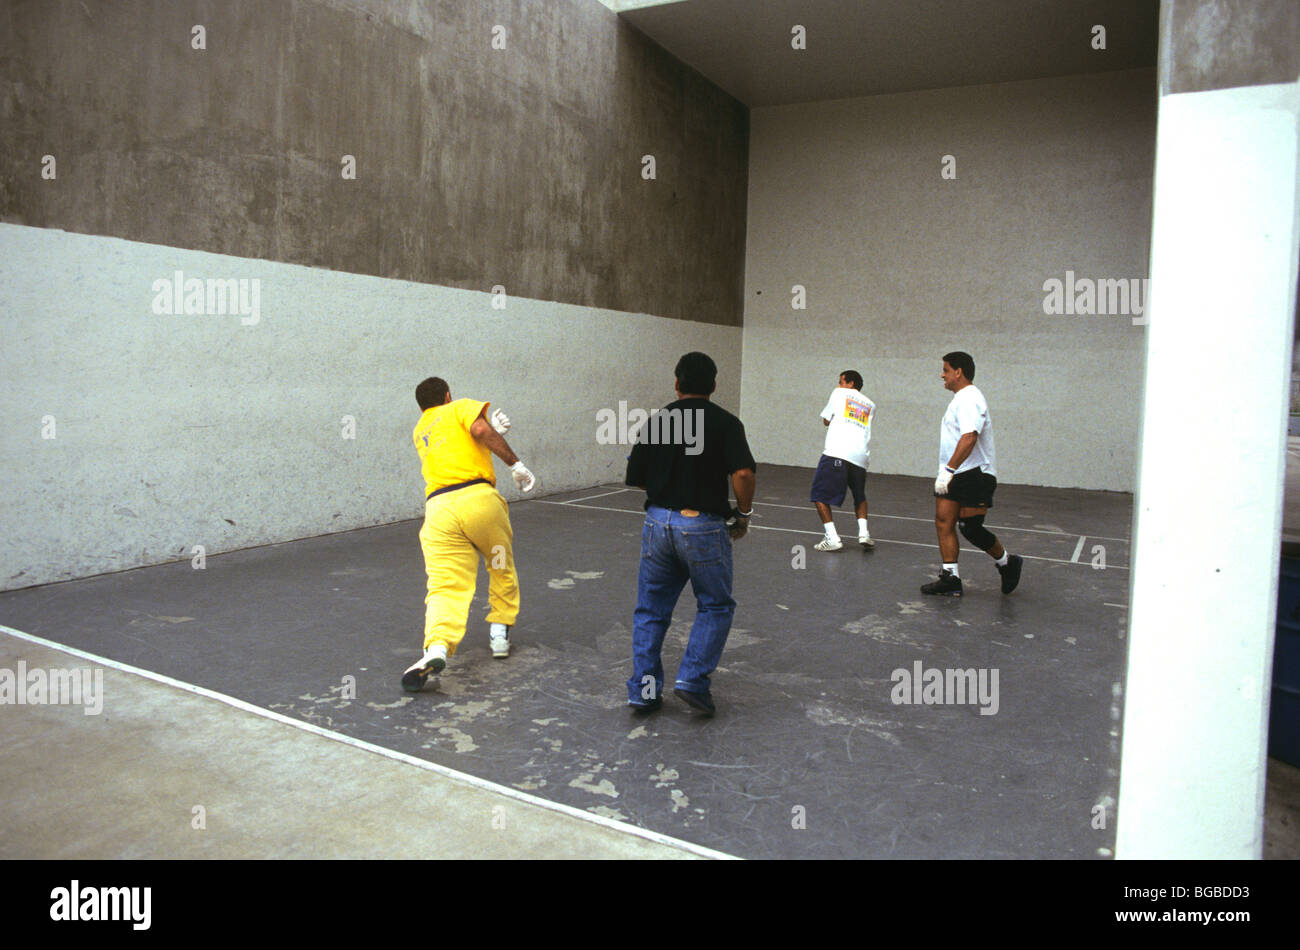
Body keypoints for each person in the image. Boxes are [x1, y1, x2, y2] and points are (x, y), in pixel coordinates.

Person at [624, 352, 756, 716]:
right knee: (715, 604)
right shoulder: (726, 423)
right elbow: (743, 474)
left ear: (677, 383)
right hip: (702, 526)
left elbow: (636, 477)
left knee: (651, 609)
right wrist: (743, 515)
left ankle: (645, 691)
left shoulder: (658, 421)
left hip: (657, 523)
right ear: (714, 385)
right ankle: (692, 681)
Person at [401, 377, 537, 691]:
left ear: (422, 406)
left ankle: (436, 647)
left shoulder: (420, 430)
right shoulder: (460, 407)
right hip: (479, 504)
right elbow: (478, 430)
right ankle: (499, 633)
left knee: (445, 584)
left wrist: (492, 434)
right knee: (500, 564)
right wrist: (515, 463)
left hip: (439, 513)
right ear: (447, 395)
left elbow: (459, 449)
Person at [922, 352, 1022, 596]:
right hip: (955, 473)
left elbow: (969, 437)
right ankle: (950, 577)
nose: (942, 375)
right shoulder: (959, 399)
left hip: (975, 473)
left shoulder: (970, 398)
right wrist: (948, 473)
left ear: (959, 372)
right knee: (944, 521)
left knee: (971, 528)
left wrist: (948, 471)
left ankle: (1007, 562)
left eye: (945, 370)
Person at [811, 370, 876, 551]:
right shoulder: (871, 404)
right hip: (860, 457)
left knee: (819, 495)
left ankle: (832, 538)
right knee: (859, 495)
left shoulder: (838, 393)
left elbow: (826, 420)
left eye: (841, 382)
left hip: (837, 452)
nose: (838, 385)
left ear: (851, 383)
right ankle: (864, 534)